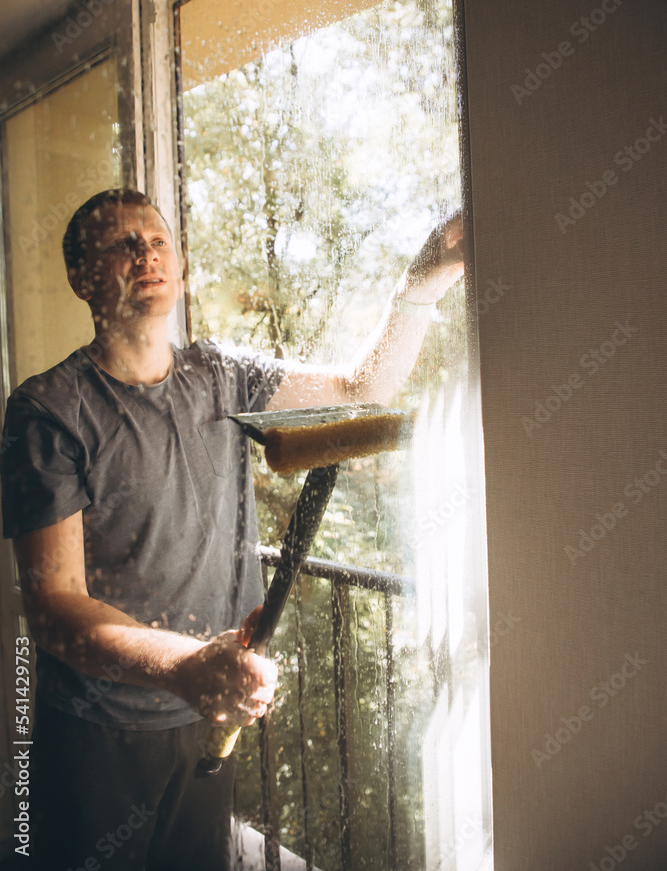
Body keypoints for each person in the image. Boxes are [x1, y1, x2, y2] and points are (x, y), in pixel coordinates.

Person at [1, 188, 463, 870]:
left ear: (179, 264)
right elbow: (53, 609)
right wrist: (187, 666)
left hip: (205, 714)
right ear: (82, 277)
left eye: (156, 240)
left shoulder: (218, 375)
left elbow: (360, 389)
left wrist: (424, 274)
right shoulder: (47, 409)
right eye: (121, 243)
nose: (145, 253)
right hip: (100, 732)